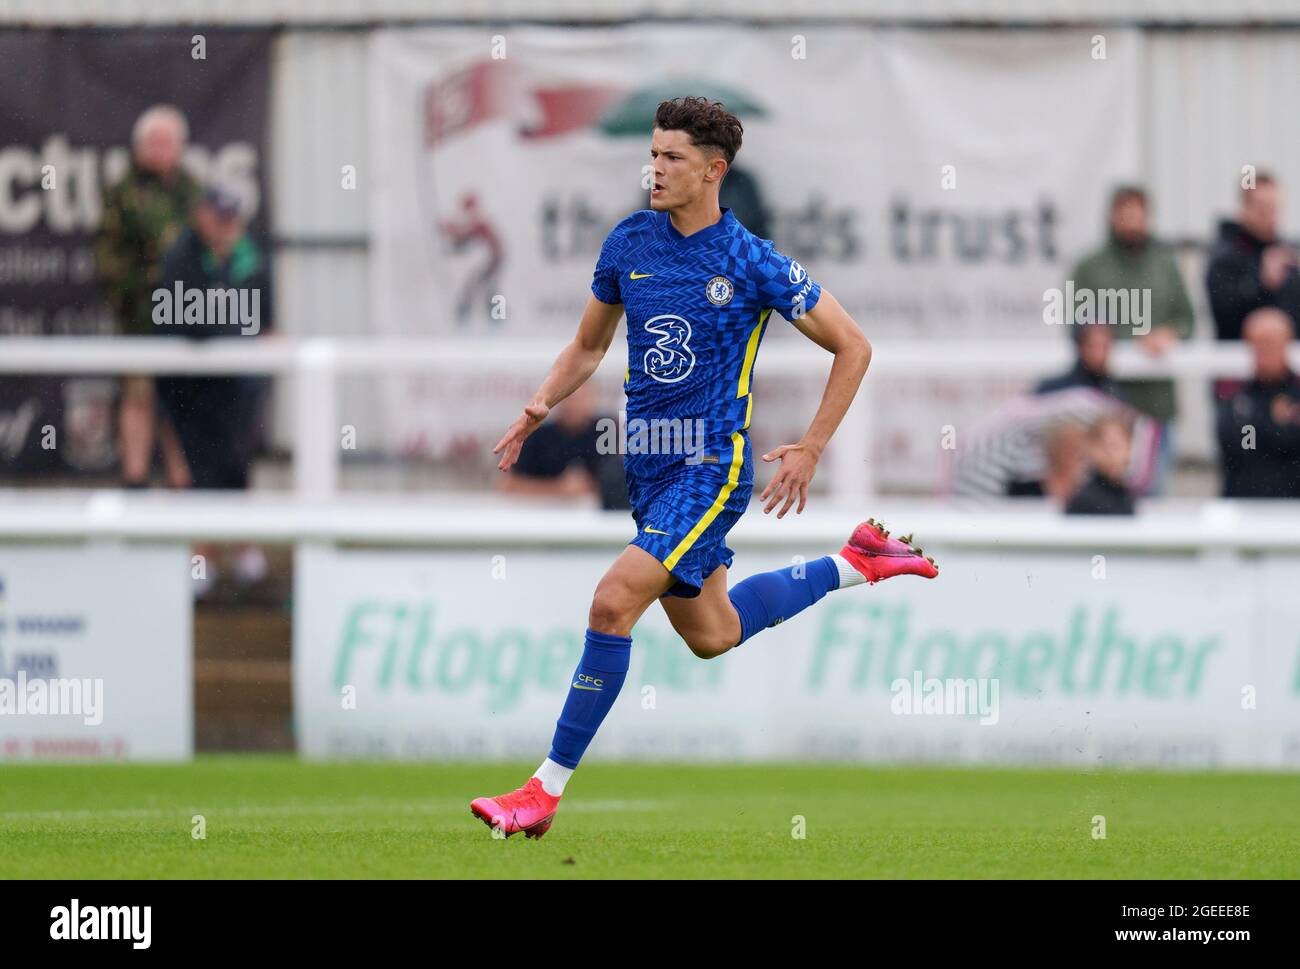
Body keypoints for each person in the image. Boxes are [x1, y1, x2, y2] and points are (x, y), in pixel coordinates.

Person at [469, 97, 937, 839]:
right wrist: (539, 402)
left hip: (710, 468)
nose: (655, 169)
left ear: (714, 171)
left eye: (673, 158)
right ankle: (857, 561)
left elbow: (854, 346)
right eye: (653, 154)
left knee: (611, 601)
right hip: (649, 473)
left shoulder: (751, 261)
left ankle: (542, 791)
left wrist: (811, 446)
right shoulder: (629, 242)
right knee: (712, 631)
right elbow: (589, 347)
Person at [155, 183, 273, 593]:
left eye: (231, 219)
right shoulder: (182, 256)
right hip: (189, 389)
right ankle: (200, 558)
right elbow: (191, 324)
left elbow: (263, 318)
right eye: (218, 217)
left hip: (236, 386)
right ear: (201, 215)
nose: (225, 227)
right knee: (197, 472)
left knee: (235, 467)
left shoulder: (249, 256)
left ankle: (241, 550)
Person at [94, 104, 200, 488]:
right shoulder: (122, 194)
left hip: (187, 319)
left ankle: (183, 479)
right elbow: (107, 257)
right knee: (138, 397)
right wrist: (143, 289)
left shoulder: (195, 191)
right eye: (153, 142)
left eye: (167, 141)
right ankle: (135, 479)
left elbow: (210, 251)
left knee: (182, 402)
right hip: (139, 317)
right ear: (139, 146)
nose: (160, 149)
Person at [1069, 186, 1194, 492]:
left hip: (1155, 403)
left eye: (1138, 216)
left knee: (1152, 494)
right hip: (1104, 404)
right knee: (1100, 493)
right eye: (1126, 215)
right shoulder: (1090, 268)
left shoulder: (1165, 265)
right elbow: (1079, 326)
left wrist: (1169, 334)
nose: (1132, 223)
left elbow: (1187, 320)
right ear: (1113, 218)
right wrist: (1132, 339)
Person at [499, 383, 629, 510]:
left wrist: (589, 487)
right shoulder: (538, 435)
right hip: (546, 516)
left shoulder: (610, 431)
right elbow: (509, 485)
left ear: (592, 398)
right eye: (568, 398)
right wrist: (558, 489)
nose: (573, 405)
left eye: (580, 398)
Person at [1206, 172, 1300, 344]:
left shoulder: (1286, 255)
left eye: (1273, 207)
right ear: (1243, 208)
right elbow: (1224, 314)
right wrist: (1261, 283)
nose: (1269, 214)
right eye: (1261, 207)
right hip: (1237, 365)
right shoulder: (1224, 257)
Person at [1215, 307, 1300, 498]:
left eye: (1271, 343)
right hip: (1245, 506)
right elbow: (1242, 447)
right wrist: (1278, 423)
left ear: (1287, 343)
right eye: (1257, 343)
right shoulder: (1235, 395)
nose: (1264, 351)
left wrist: (1257, 424)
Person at [1065, 414, 1136, 515]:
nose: (1122, 453)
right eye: (1113, 445)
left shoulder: (1123, 493)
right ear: (1093, 449)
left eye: (1126, 444)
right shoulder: (1086, 500)